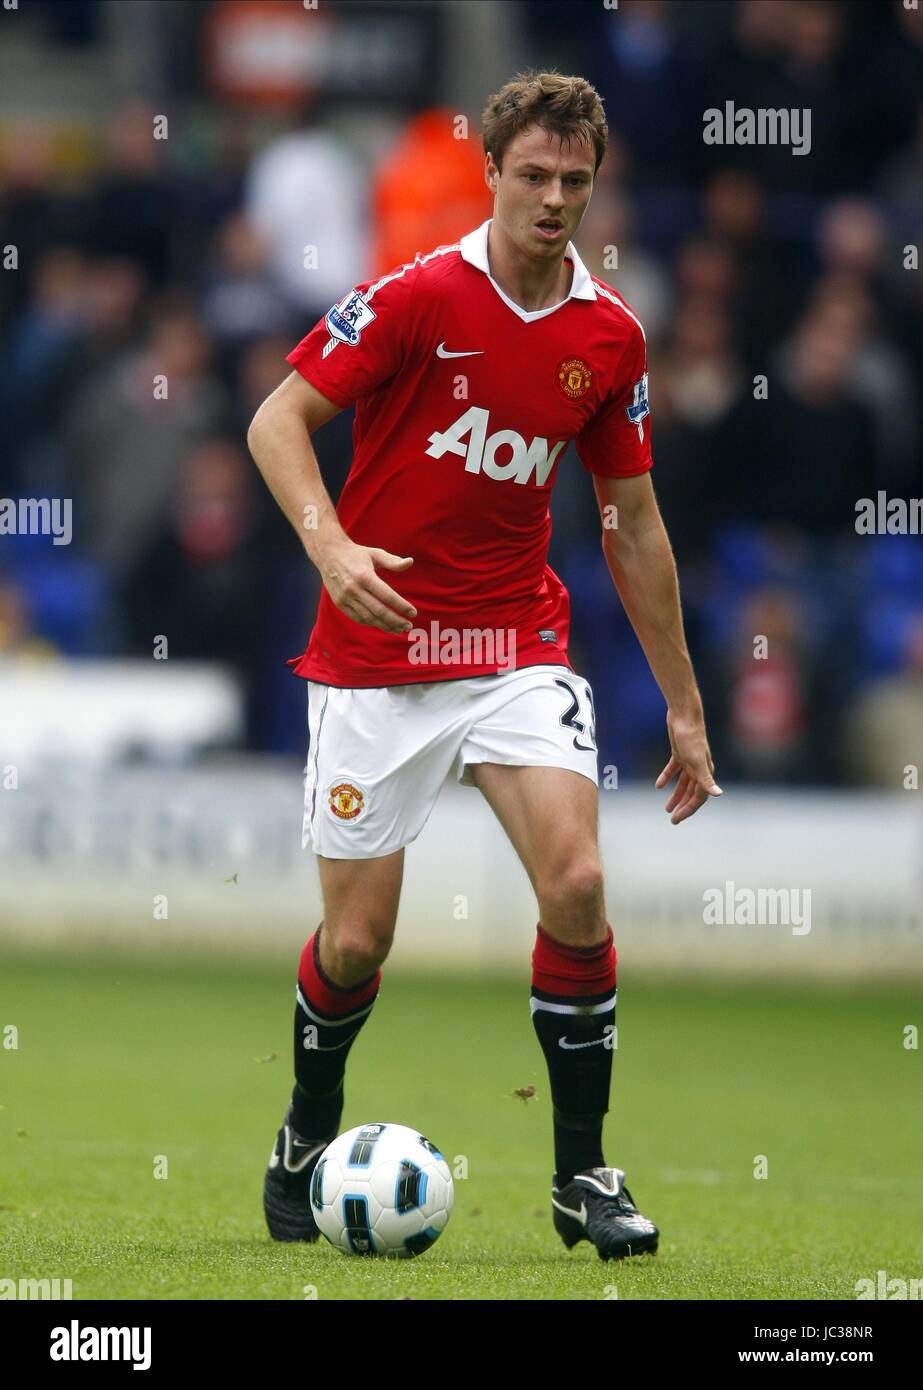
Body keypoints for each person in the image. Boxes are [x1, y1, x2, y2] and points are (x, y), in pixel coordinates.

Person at [247, 70, 721, 1262]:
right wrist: (331, 542)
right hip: (375, 656)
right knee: (355, 945)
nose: (554, 198)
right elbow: (275, 422)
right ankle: (306, 1134)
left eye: (575, 179)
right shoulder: (413, 296)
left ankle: (580, 1177)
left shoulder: (608, 335)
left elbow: (633, 523)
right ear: (492, 173)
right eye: (533, 176)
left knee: (574, 883)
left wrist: (683, 702)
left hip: (514, 645)